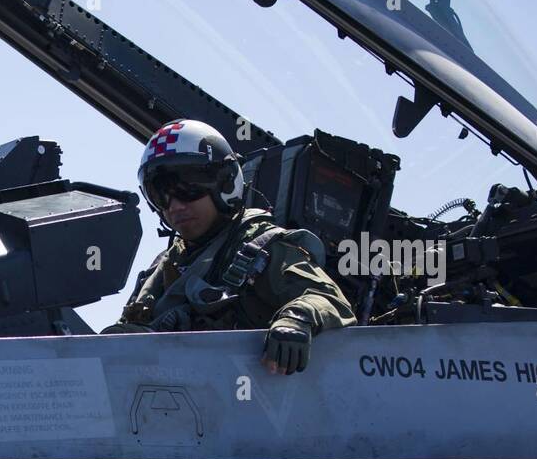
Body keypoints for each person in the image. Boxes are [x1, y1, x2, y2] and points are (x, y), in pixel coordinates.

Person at [102, 119, 355, 374]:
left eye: (187, 188)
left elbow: (328, 298)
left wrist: (297, 319)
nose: (174, 206)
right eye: (160, 195)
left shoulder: (261, 247)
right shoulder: (162, 267)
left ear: (225, 181)